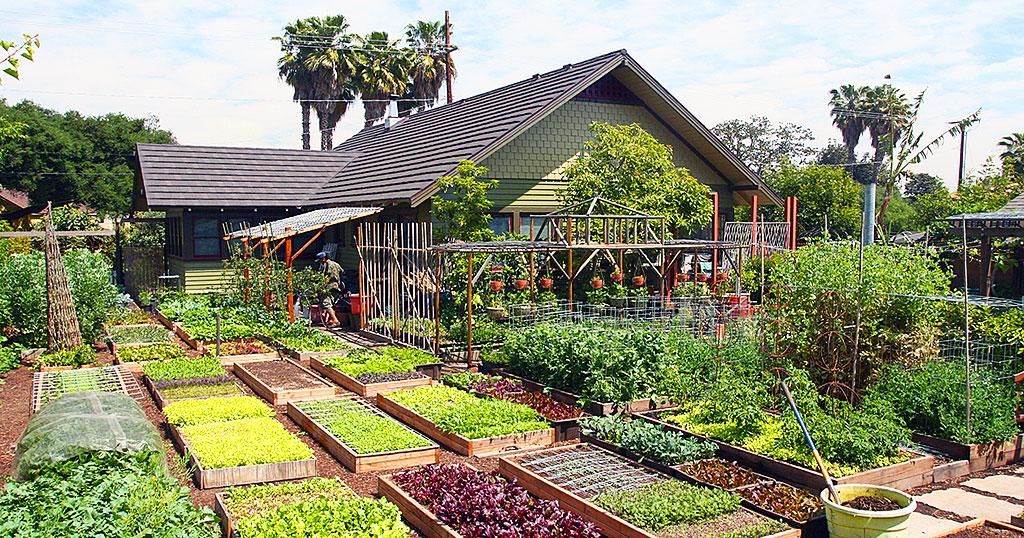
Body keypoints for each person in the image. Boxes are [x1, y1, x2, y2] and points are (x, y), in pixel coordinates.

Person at [316, 252, 344, 327]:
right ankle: (332, 321)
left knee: (326, 303)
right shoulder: (336, 264)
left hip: (329, 287)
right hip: (336, 287)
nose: (320, 262)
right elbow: (342, 272)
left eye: (320, 260)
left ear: (323, 259)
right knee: (332, 304)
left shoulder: (327, 265)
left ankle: (335, 320)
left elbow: (326, 277)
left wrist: (322, 287)